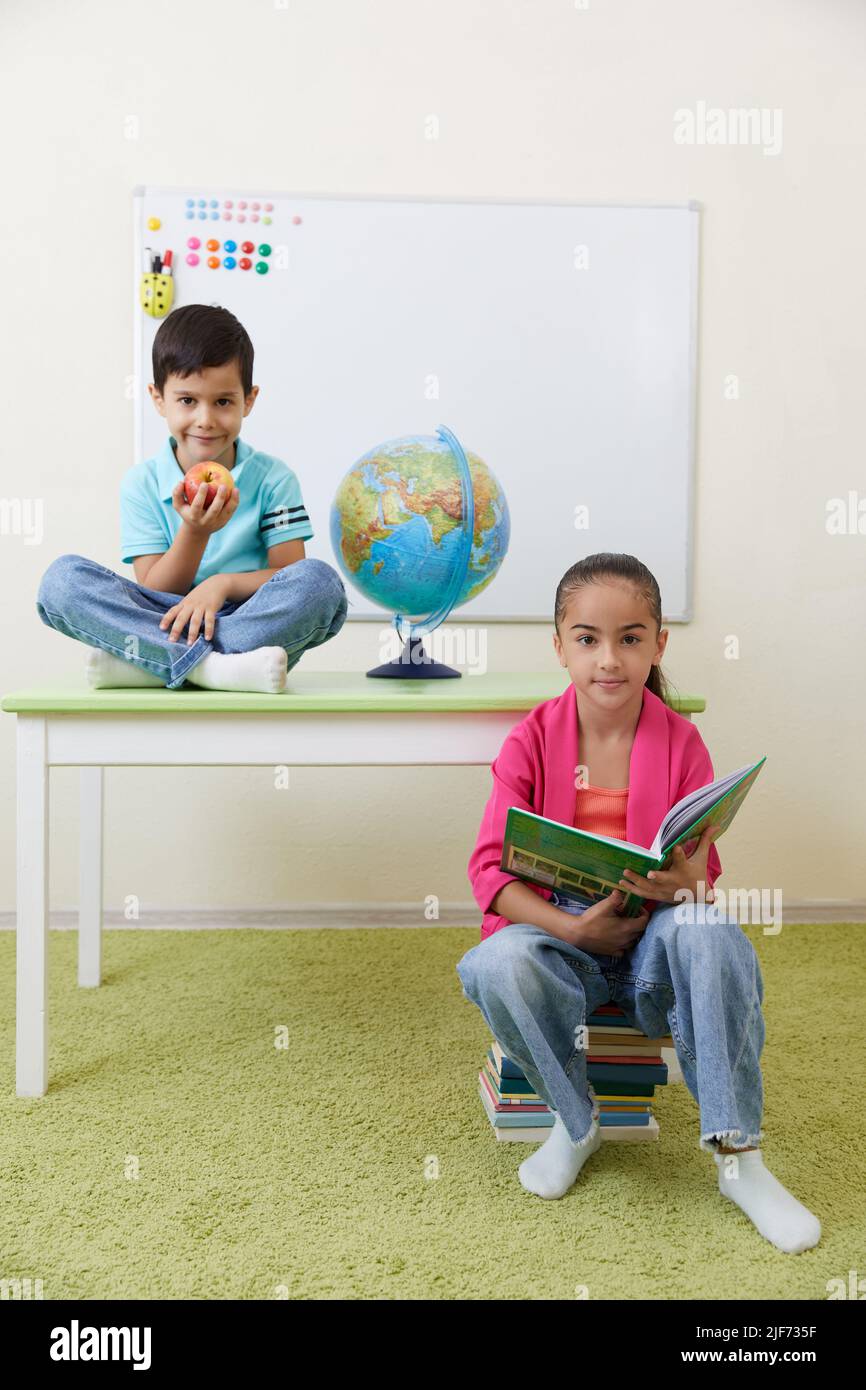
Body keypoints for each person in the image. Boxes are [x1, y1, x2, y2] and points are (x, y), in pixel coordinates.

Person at [457, 551, 820, 1254]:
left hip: (655, 940)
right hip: (565, 945)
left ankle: (739, 1158)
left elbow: (702, 877)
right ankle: (576, 1121)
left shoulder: (680, 740)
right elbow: (488, 874)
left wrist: (681, 887)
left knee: (708, 930)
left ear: (658, 643)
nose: (609, 659)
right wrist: (575, 928)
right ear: (560, 646)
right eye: (588, 638)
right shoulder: (530, 740)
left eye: (630, 637)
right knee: (492, 964)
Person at [35, 304, 348, 693]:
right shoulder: (143, 482)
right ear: (158, 398)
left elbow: (288, 574)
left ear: (248, 401)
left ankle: (152, 663)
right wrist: (195, 531)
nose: (205, 419)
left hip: (246, 615)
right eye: (187, 401)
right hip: (163, 616)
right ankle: (218, 669)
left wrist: (221, 584)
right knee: (61, 582)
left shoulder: (273, 478)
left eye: (223, 401)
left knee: (320, 584)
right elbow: (158, 587)